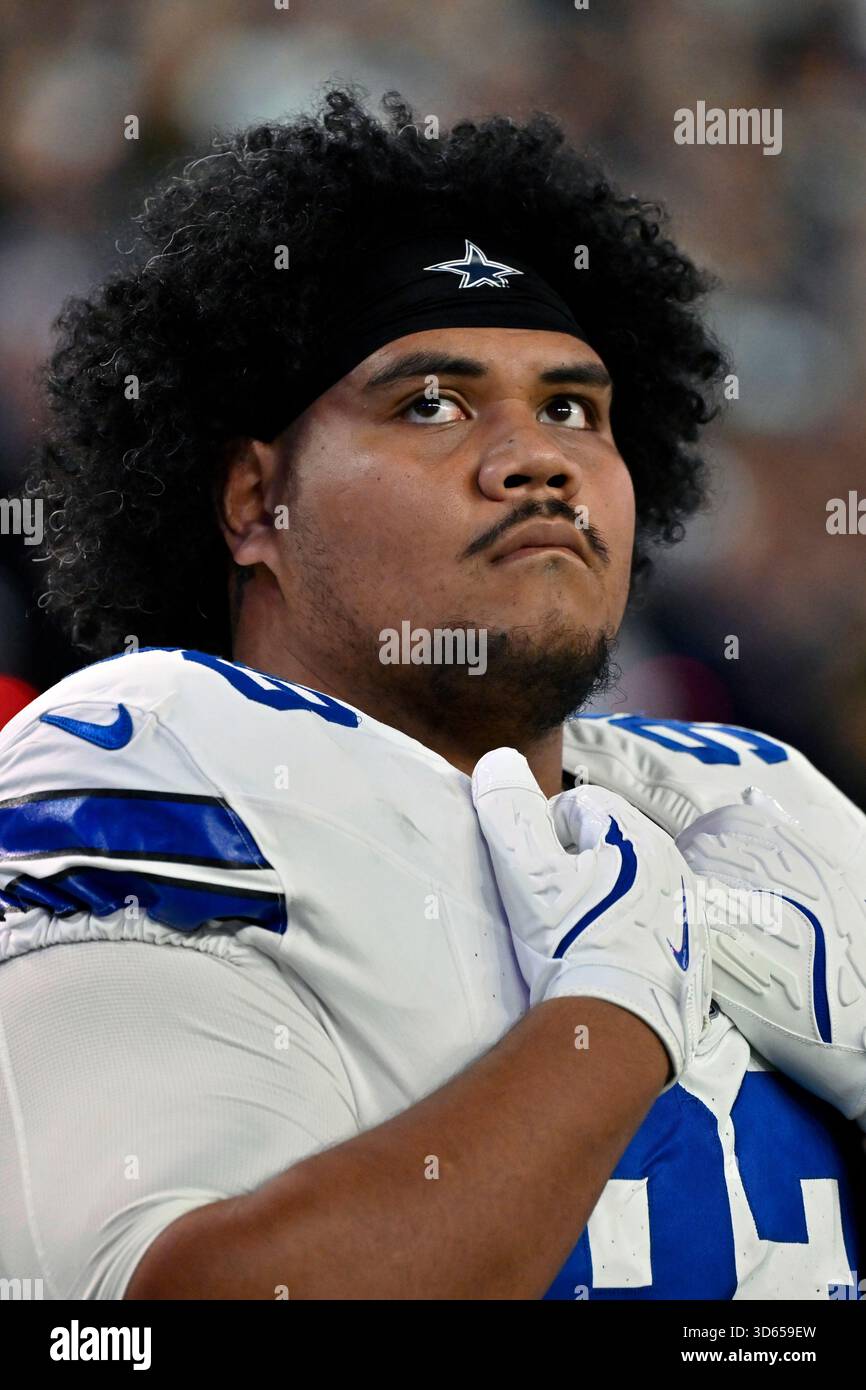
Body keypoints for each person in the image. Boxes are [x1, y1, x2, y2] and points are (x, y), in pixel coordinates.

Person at [0, 88, 863, 1301]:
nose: (536, 454)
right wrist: (614, 1006)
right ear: (256, 502)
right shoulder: (153, 761)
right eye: (429, 403)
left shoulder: (745, 801)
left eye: (571, 407)